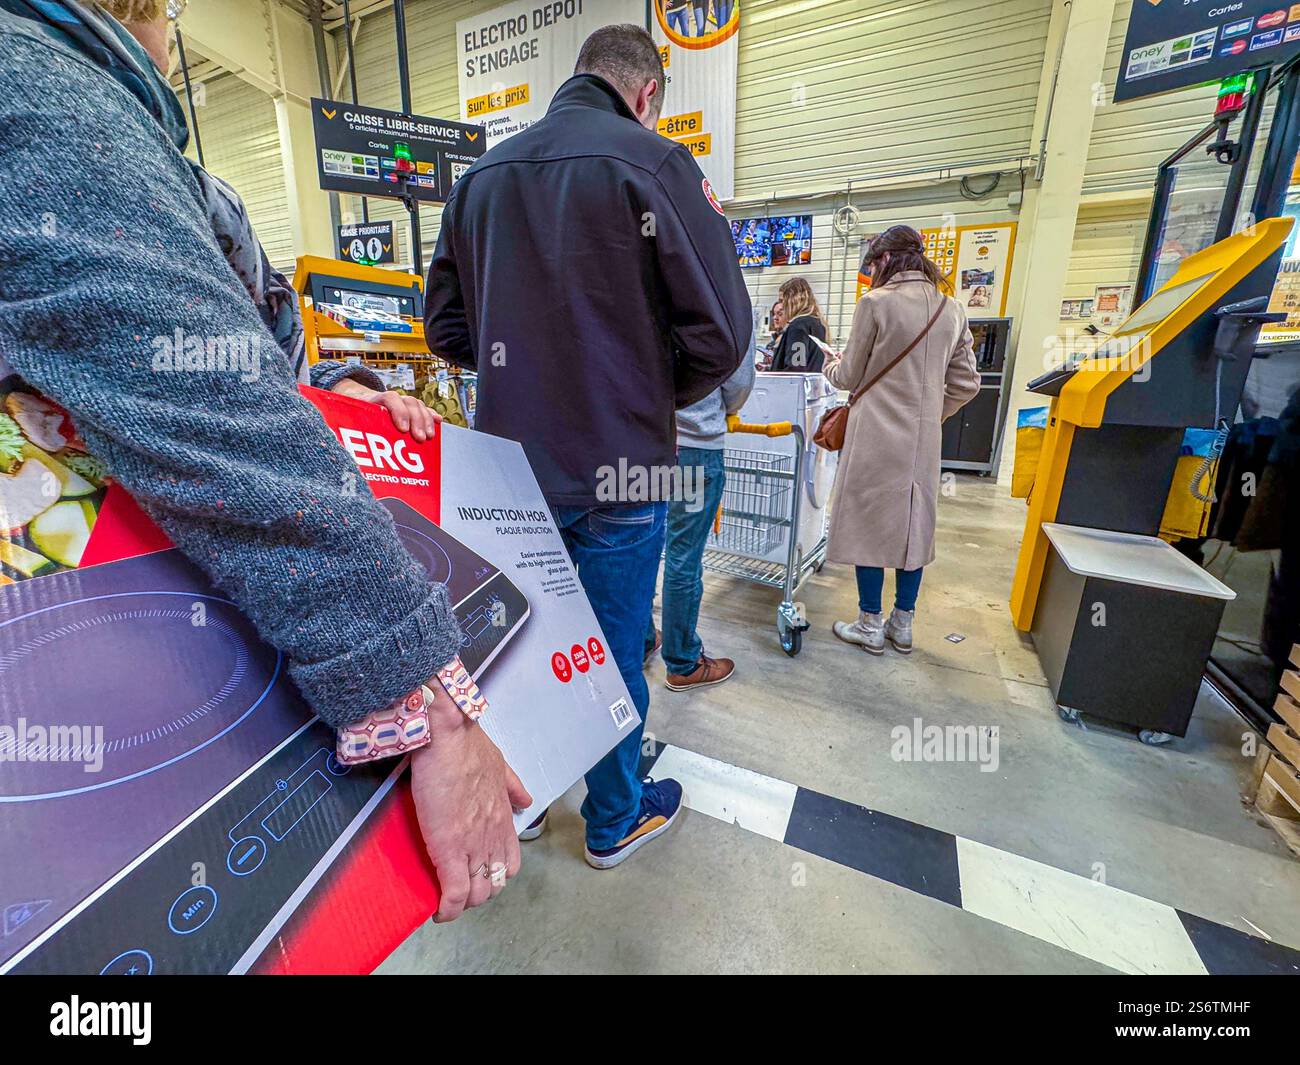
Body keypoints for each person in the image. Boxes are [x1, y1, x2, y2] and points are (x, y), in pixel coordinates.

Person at [0, 0, 527, 923]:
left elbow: (242, 351)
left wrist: (337, 387)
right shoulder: (43, 91)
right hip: (102, 639)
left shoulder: (118, 125)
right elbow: (211, 403)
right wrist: (432, 708)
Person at [426, 24, 751, 868]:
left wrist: (524, 372)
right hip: (621, 466)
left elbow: (446, 328)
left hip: (507, 470)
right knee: (606, 650)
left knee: (522, 644)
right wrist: (638, 387)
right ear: (648, 94)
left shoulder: (481, 180)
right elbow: (723, 335)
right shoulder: (654, 165)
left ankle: (525, 803)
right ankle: (612, 818)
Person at [824, 225, 979, 655]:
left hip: (874, 434)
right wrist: (932, 415)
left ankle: (869, 624)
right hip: (923, 440)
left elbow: (850, 376)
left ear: (886, 259)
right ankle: (903, 624)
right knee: (916, 526)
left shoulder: (875, 304)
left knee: (868, 523)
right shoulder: (952, 309)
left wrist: (830, 365)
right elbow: (968, 382)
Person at [648, 329, 755, 691]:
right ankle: (683, 661)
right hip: (694, 443)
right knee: (683, 556)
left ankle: (643, 636)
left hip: (643, 442)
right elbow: (737, 378)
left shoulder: (638, 283)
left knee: (641, 544)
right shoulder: (719, 290)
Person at [770, 277, 830, 373]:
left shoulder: (798, 326)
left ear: (792, 300)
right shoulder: (819, 324)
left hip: (793, 386)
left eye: (781, 300)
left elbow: (796, 366)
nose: (781, 305)